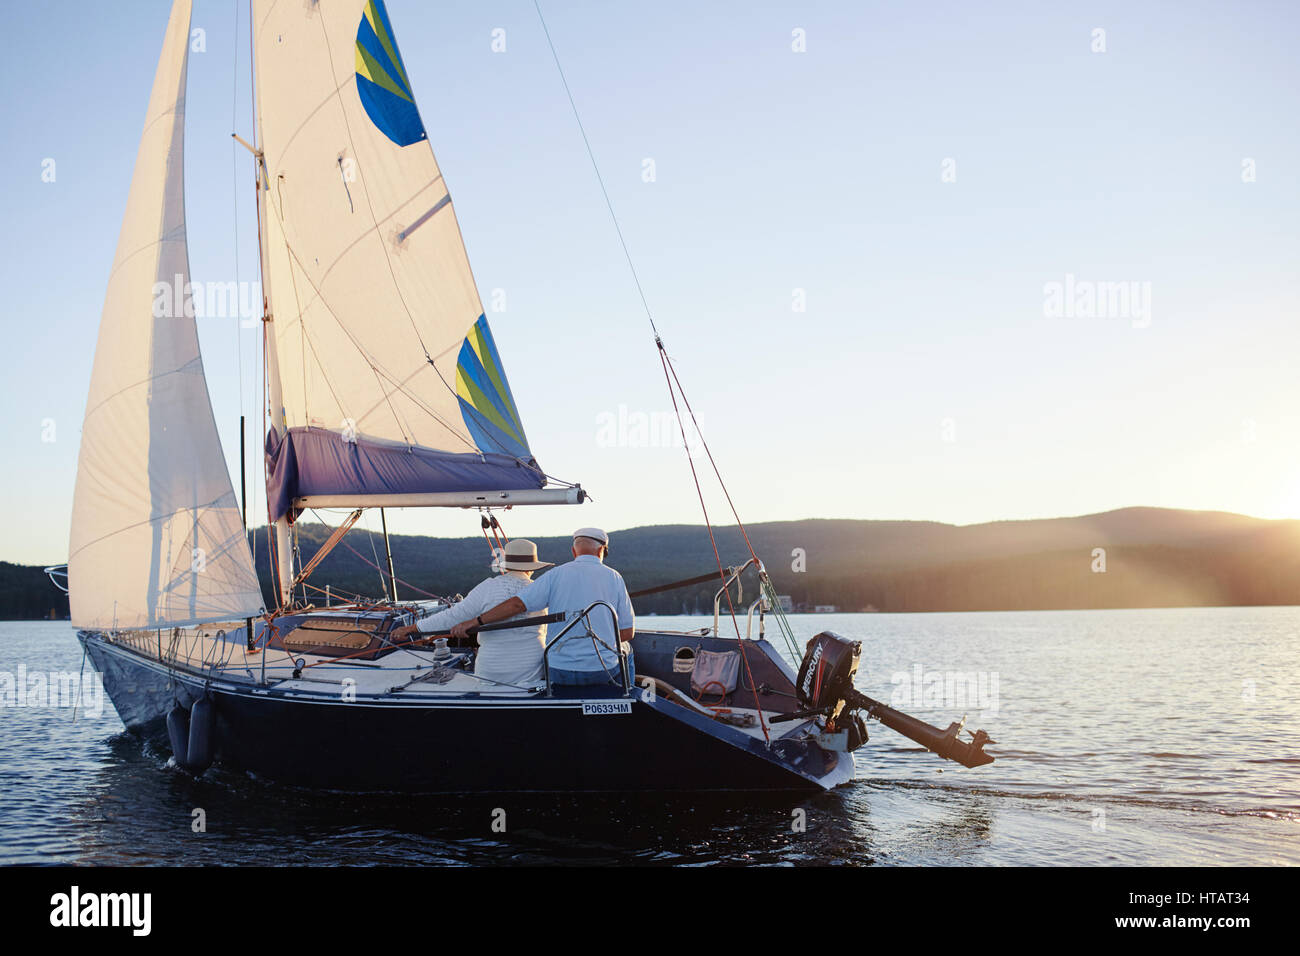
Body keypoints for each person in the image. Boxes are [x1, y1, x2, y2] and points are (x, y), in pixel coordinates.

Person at [451, 527, 634, 688]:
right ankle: (628, 698)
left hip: (559, 670)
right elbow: (627, 633)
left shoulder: (555, 575)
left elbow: (517, 605)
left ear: (573, 551)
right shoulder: (615, 577)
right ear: (602, 550)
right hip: (600, 670)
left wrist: (476, 621)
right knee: (628, 650)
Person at [393, 539, 552, 686]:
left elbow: (453, 616)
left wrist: (412, 628)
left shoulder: (488, 587)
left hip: (492, 670)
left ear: (507, 565)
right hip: (530, 669)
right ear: (532, 567)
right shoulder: (539, 589)